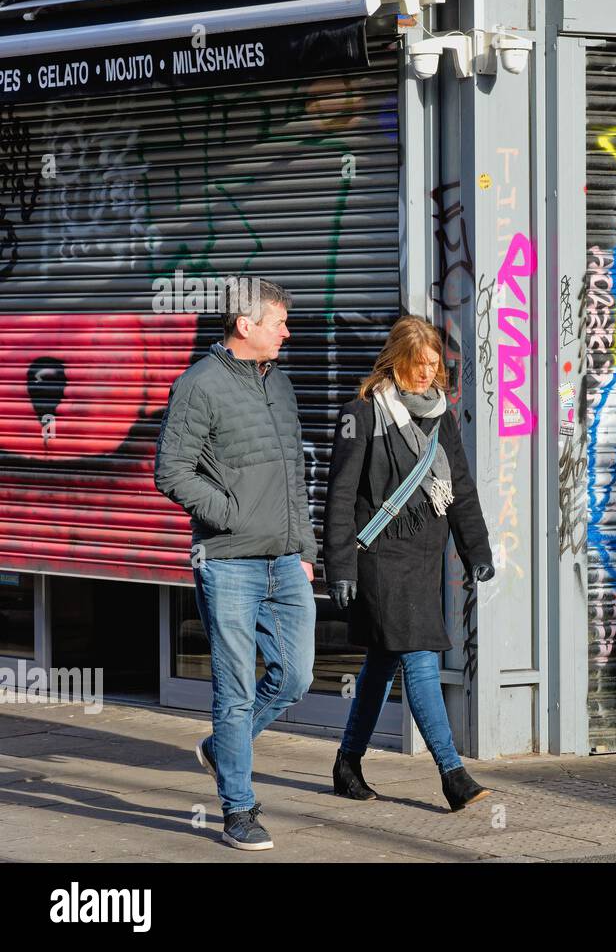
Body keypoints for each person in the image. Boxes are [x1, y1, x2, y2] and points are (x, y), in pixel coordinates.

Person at [154, 277, 316, 851]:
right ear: (245, 326)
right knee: (235, 689)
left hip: (285, 560)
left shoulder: (281, 385)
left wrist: (306, 549)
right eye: (278, 322)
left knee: (297, 676)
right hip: (228, 562)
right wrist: (234, 514)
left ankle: (224, 747)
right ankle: (239, 810)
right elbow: (171, 471)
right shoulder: (199, 385)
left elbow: (295, 473)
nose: (287, 332)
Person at [324, 314, 495, 811]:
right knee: (420, 656)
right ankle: (453, 775)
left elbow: (459, 488)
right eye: (417, 364)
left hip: (423, 559)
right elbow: (339, 497)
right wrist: (340, 567)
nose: (426, 374)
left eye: (433, 364)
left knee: (381, 663)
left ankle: (347, 763)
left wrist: (476, 551)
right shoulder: (362, 412)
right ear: (396, 363)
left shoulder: (440, 413)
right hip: (379, 557)